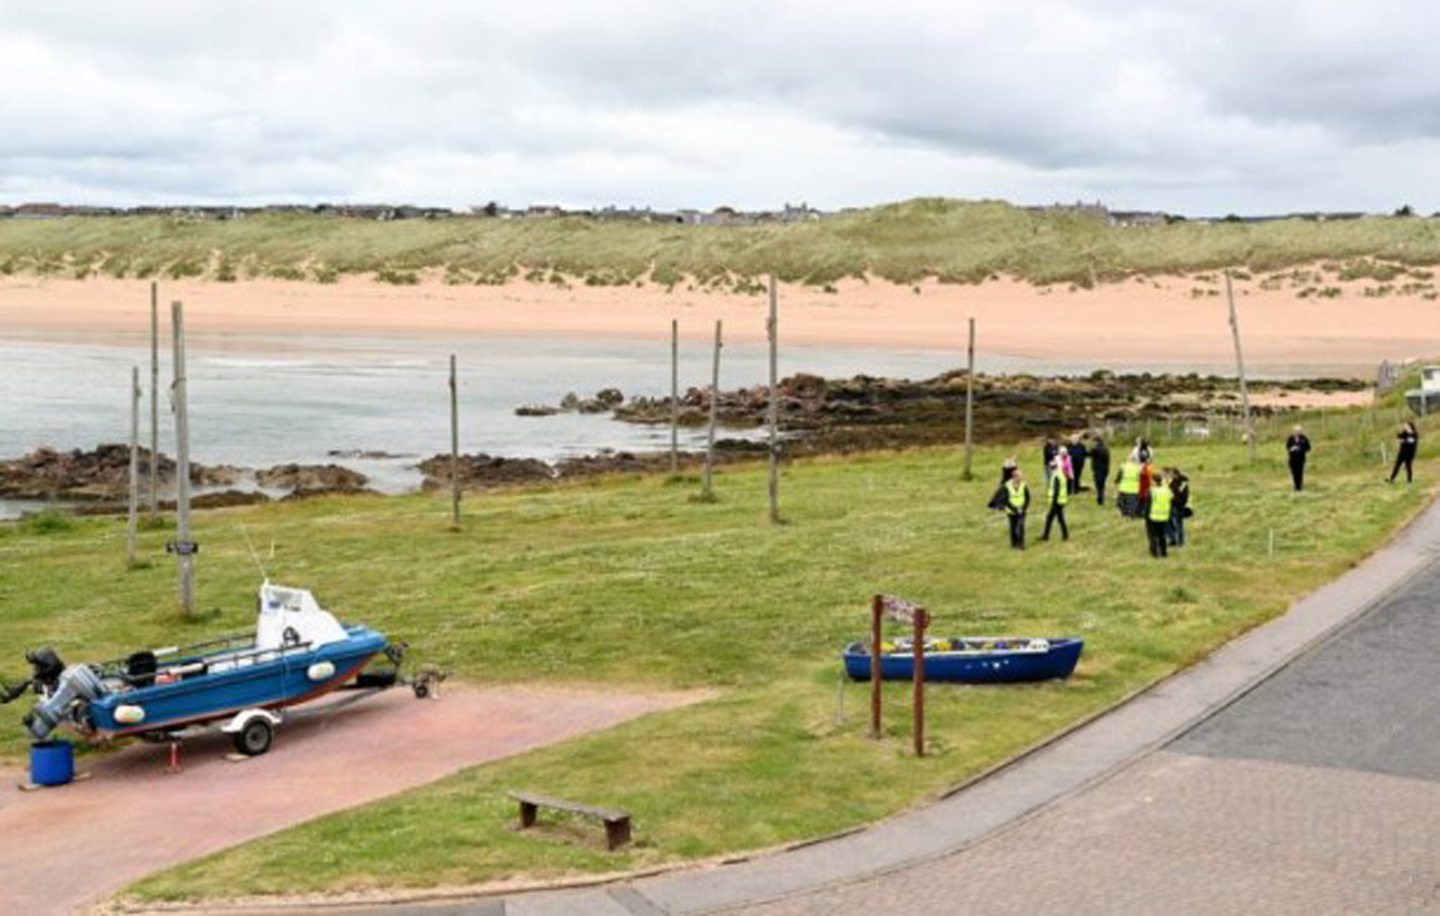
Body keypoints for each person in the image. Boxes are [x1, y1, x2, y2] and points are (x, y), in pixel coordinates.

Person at [1041, 457, 1069, 542]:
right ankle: (1065, 535)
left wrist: (1053, 501)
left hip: (1057, 501)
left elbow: (1056, 490)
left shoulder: (1056, 476)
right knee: (1060, 518)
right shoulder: (1060, 474)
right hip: (1061, 500)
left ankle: (1046, 536)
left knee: (1050, 518)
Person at [1146, 469, 1172, 558]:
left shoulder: (1152, 491)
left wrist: (1146, 515)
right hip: (1164, 516)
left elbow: (1148, 504)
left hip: (1154, 516)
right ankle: (1164, 552)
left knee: (1153, 536)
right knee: (1162, 535)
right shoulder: (1167, 490)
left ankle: (1155, 553)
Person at [1005, 469, 1031, 550]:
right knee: (1013, 527)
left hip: (1022, 510)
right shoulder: (1007, 485)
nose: (1020, 479)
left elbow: (1028, 497)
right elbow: (1006, 499)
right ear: (1014, 477)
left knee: (1021, 526)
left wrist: (1023, 508)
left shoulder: (1023, 485)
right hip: (1011, 510)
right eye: (1019, 477)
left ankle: (1021, 543)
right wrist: (1014, 509)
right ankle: (1014, 543)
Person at [1167, 467, 1191, 547]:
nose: (1170, 476)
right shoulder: (1173, 482)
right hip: (1172, 505)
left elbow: (1182, 495)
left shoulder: (1182, 483)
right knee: (1168, 522)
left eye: (1171, 474)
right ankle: (1173, 539)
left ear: (1176, 474)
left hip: (1179, 506)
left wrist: (1175, 497)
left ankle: (1180, 542)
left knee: (1178, 524)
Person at [1115, 453, 1143, 518]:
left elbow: (1119, 476)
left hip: (1123, 488)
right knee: (1132, 504)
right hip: (1133, 489)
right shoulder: (1138, 468)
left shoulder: (1123, 466)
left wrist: (1116, 481)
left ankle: (1124, 514)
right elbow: (1141, 478)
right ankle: (1131, 515)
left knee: (1122, 503)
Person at [1285, 425, 1311, 491]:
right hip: (1292, 459)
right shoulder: (1290, 438)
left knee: (1300, 473)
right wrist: (1291, 448)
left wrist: (1300, 449)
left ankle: (1300, 487)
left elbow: (1308, 448)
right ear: (1293, 431)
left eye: (1298, 431)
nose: (1297, 433)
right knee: (1294, 473)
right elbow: (1287, 446)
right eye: (1295, 431)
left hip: (1301, 459)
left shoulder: (1304, 438)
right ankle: (1295, 486)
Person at [1090, 436, 1110, 505]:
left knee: (1098, 485)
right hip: (1105, 469)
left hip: (1098, 469)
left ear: (1096, 442)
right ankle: (1101, 498)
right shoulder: (1105, 449)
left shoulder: (1096, 449)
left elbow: (1090, 453)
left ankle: (1100, 499)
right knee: (1102, 485)